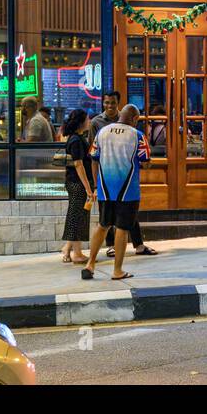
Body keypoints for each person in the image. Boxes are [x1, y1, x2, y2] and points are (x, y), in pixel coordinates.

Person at [83, 104, 152, 281]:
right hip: (128, 191)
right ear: (135, 119)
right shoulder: (138, 136)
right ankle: (117, 270)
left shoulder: (102, 132)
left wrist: (97, 184)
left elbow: (93, 159)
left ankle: (90, 264)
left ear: (121, 115)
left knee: (103, 225)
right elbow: (145, 162)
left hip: (106, 189)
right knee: (122, 228)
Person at [59, 108, 94, 264]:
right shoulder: (76, 140)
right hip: (77, 183)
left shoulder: (78, 138)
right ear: (81, 122)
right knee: (76, 216)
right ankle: (77, 253)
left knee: (78, 215)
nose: (89, 121)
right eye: (87, 119)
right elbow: (79, 165)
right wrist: (88, 188)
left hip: (77, 182)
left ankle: (67, 248)